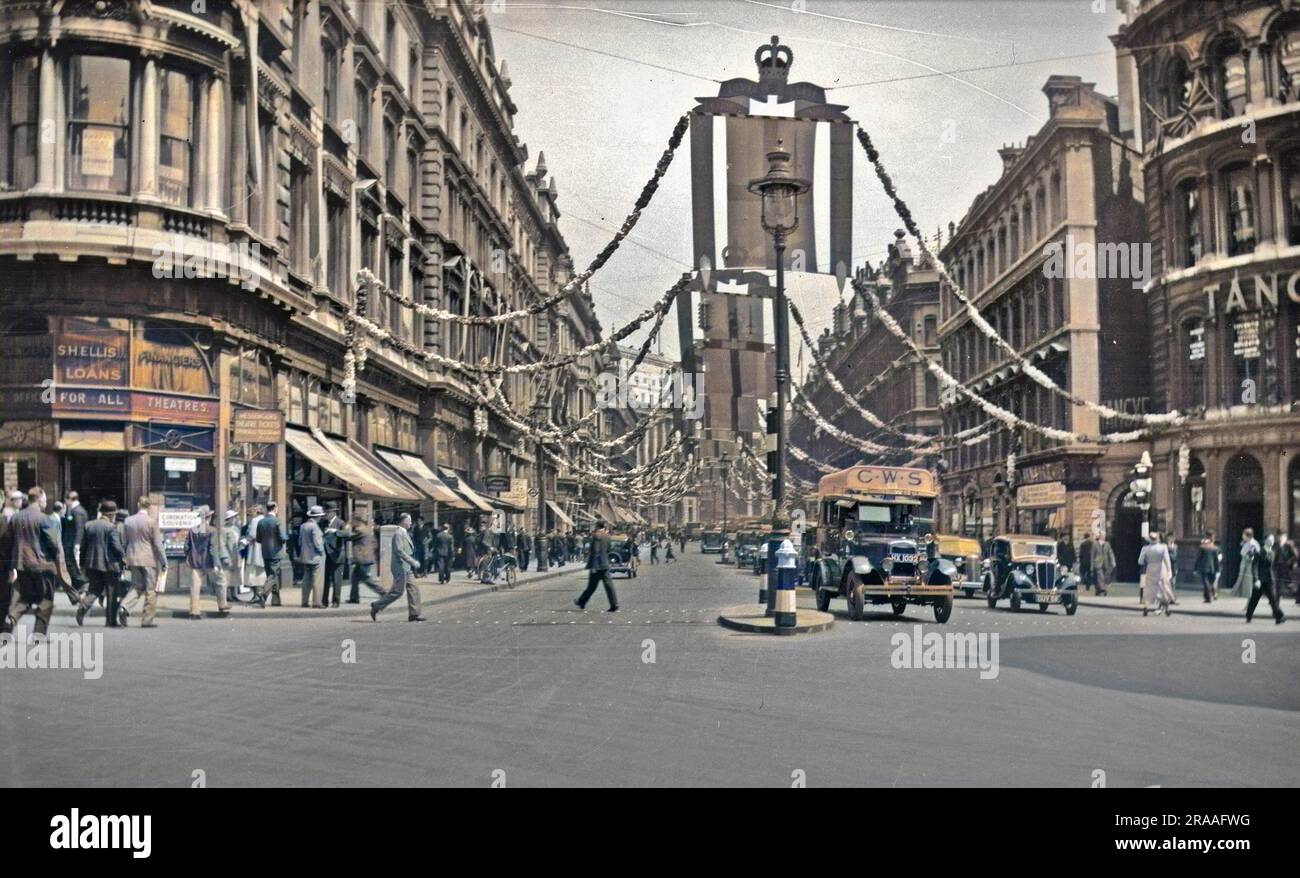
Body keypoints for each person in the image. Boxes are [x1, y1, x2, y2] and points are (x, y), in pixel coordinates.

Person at [0, 486, 61, 635]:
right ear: (39, 500)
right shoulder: (44, 518)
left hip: (21, 565)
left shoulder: (16, 517)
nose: (46, 503)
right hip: (42, 566)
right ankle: (38, 634)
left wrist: (9, 564)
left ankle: (10, 620)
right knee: (46, 600)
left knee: (25, 598)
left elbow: (6, 542)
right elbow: (53, 543)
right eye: (45, 500)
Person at [121, 496, 167, 628]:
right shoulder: (151, 522)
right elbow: (158, 544)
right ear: (149, 507)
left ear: (137, 505)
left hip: (133, 557)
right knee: (151, 590)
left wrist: (125, 558)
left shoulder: (128, 521)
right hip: (148, 559)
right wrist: (164, 561)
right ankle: (147, 620)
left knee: (136, 586)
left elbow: (125, 542)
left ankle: (124, 607)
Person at [371, 513, 424, 622]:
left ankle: (414, 615)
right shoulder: (398, 534)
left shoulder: (405, 532)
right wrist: (412, 561)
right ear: (403, 521)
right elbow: (399, 551)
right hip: (400, 567)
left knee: (414, 589)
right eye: (409, 520)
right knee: (397, 592)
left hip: (406, 567)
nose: (410, 522)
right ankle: (376, 606)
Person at [184, 507, 229, 619]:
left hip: (195, 563)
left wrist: (189, 556)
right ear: (208, 517)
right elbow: (213, 549)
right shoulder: (212, 530)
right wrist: (216, 564)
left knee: (195, 587)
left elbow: (186, 547)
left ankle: (194, 611)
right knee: (221, 581)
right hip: (209, 562)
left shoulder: (192, 530)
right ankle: (222, 604)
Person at [1241, 528, 1284, 624]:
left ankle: (1278, 617)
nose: (1272, 541)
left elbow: (1273, 566)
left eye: (1273, 539)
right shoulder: (1259, 552)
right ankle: (1249, 616)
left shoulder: (1272, 552)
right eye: (1270, 539)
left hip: (1270, 580)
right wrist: (1256, 579)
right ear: (1265, 541)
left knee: (1273, 599)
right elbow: (1254, 566)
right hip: (1260, 580)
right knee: (1254, 599)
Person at [575, 520, 618, 612]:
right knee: (609, 585)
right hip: (605, 564)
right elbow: (609, 549)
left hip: (597, 565)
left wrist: (594, 566)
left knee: (591, 586)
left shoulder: (596, 536)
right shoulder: (607, 536)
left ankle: (581, 601)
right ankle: (614, 604)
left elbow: (596, 551)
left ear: (597, 526)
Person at [254, 501, 289, 607]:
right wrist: (286, 539)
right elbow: (282, 537)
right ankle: (263, 593)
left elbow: (258, 539)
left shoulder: (261, 522)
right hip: (276, 553)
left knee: (272, 575)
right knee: (273, 575)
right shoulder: (277, 521)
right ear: (274, 508)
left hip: (265, 552)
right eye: (277, 508)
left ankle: (276, 601)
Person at [342, 513, 382, 602]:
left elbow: (347, 536)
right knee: (354, 578)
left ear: (357, 521)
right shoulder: (366, 529)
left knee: (367, 579)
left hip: (362, 559)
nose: (351, 523)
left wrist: (347, 526)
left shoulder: (360, 530)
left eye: (352, 521)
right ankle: (354, 598)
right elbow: (374, 543)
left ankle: (384, 593)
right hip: (364, 558)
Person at [1138, 532, 1174, 617]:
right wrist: (1169, 570)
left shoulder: (1145, 548)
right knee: (1163, 588)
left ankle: (1146, 607)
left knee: (1149, 588)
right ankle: (1166, 608)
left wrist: (1147, 561)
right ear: (1157, 539)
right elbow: (1167, 559)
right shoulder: (1163, 547)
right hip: (1161, 568)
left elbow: (1140, 561)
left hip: (1150, 568)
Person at [297, 505, 326, 609]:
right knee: (317, 580)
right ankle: (317, 602)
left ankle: (304, 601)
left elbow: (300, 541)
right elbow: (317, 542)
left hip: (305, 556)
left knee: (306, 580)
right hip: (316, 557)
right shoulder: (315, 527)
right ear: (318, 517)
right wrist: (322, 552)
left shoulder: (303, 526)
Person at [62, 490, 89, 596]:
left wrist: (77, 544)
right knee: (72, 564)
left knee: (73, 565)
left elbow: (79, 529)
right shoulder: (73, 510)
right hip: (70, 543)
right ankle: (79, 585)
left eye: (66, 500)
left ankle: (83, 584)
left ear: (70, 499)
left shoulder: (77, 511)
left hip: (73, 543)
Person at [321, 505, 346, 608]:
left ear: (333, 513)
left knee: (336, 580)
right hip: (326, 555)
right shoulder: (323, 523)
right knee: (325, 580)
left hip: (337, 555)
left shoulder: (341, 523)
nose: (325, 515)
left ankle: (336, 601)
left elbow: (347, 534)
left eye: (327, 513)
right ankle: (324, 601)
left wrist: (335, 531)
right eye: (325, 513)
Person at [222, 510, 244, 603]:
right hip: (229, 554)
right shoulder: (223, 530)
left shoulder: (236, 529)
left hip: (236, 554)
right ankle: (227, 595)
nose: (235, 519)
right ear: (229, 519)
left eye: (235, 517)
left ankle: (234, 594)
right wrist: (225, 557)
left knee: (235, 576)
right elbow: (222, 544)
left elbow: (238, 540)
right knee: (227, 575)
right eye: (233, 517)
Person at [1273, 533, 1298, 603]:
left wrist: (1289, 562)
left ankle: (1296, 594)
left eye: (1283, 538)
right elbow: (1274, 556)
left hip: (1286, 569)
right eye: (1280, 538)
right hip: (1278, 568)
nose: (1281, 539)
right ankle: (1276, 602)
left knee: (1288, 585)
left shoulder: (1288, 547)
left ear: (1286, 539)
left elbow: (1295, 556)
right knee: (1278, 586)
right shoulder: (1277, 546)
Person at [1195, 532, 1220, 603]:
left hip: (1204, 567)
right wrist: (1218, 569)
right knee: (1211, 582)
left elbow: (1198, 558)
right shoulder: (1215, 547)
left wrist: (1196, 568)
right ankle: (1209, 595)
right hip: (1213, 568)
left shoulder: (1202, 547)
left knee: (1206, 583)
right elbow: (1216, 560)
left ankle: (1208, 597)